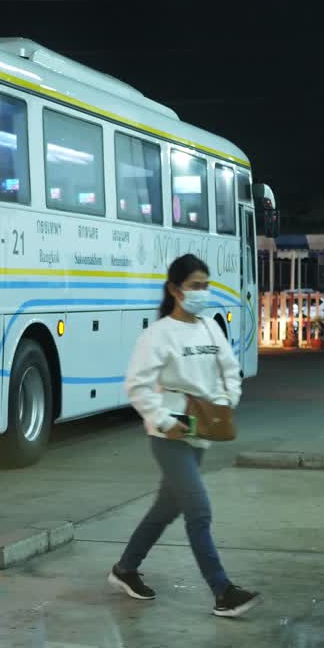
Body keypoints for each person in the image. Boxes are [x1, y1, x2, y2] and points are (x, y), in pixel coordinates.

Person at [107, 254, 260, 618]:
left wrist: (225, 404)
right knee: (198, 509)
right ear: (175, 290)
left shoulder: (209, 329)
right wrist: (162, 420)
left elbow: (230, 371)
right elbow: (137, 386)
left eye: (205, 285)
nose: (202, 293)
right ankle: (223, 591)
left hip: (201, 431)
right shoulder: (157, 335)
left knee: (166, 507)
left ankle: (125, 569)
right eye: (195, 286)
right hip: (169, 435)